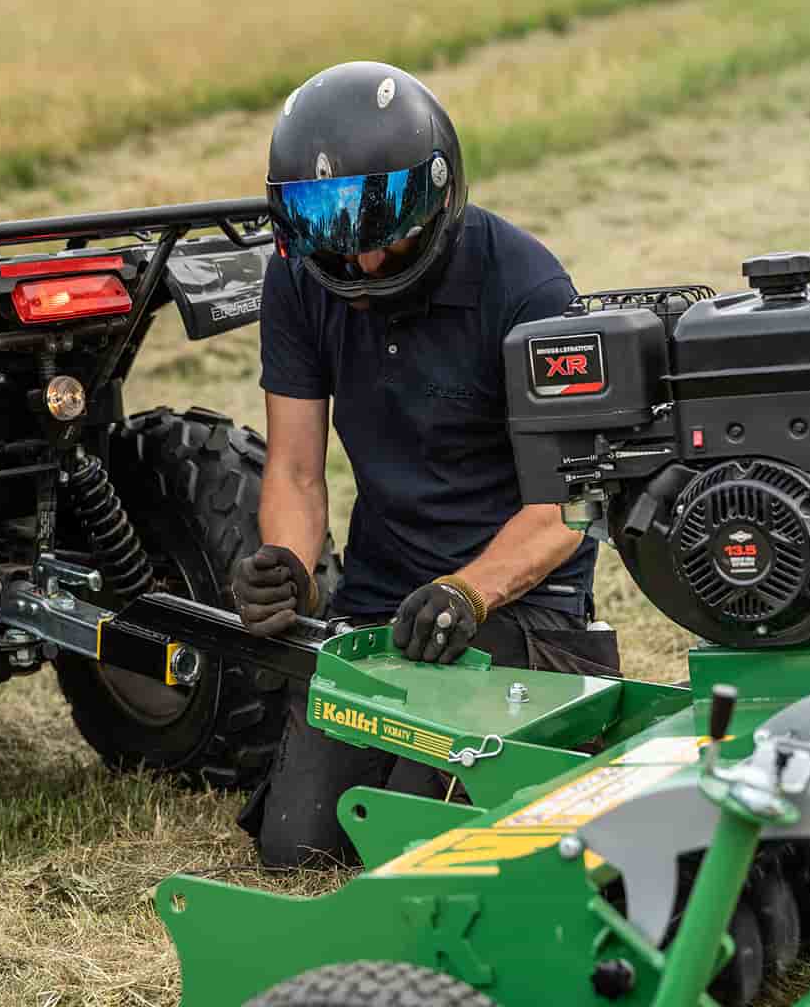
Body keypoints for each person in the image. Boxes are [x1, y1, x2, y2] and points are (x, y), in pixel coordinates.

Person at [231, 60, 618, 870]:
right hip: (379, 603)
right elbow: (297, 474)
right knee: (297, 849)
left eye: (384, 236)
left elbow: (565, 510)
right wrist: (293, 575)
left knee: (416, 841)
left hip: (519, 606)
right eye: (336, 237)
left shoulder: (529, 287)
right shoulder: (302, 279)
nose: (363, 265)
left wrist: (467, 594)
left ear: (439, 195)